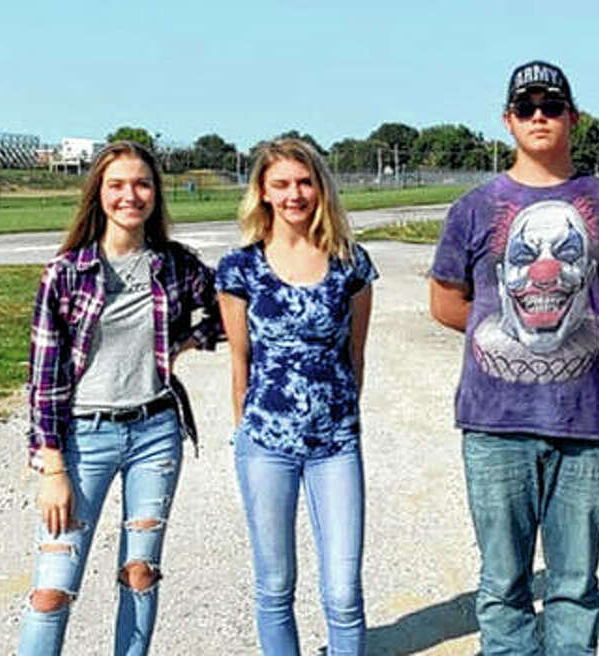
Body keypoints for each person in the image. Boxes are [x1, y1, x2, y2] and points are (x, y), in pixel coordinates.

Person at [429, 60, 599, 654]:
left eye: (551, 107)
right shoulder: (473, 209)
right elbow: (447, 302)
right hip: (494, 427)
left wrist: (581, 337)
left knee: (575, 586)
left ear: (572, 118)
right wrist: (509, 338)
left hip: (587, 427)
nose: (538, 117)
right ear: (507, 120)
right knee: (502, 585)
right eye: (526, 107)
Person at [19, 141, 222, 655]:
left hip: (155, 432)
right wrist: (52, 467)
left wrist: (184, 343)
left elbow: (225, 307)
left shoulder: (174, 265)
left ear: (155, 193)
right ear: (99, 194)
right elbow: (43, 379)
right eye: (117, 185)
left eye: (142, 184)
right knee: (53, 588)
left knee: (140, 572)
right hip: (83, 439)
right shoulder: (66, 273)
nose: (130, 195)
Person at [216, 138, 376, 655]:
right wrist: (244, 430)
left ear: (321, 187)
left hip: (335, 445)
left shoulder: (350, 264)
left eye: (304, 182)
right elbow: (240, 361)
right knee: (275, 586)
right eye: (281, 183)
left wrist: (342, 417)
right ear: (262, 191)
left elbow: (357, 355)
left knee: (343, 591)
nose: (294, 194)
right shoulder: (240, 269)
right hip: (265, 443)